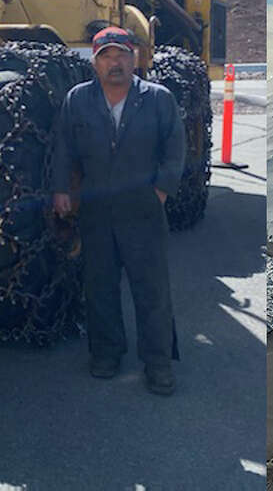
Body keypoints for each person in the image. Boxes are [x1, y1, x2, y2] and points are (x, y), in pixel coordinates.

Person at [51, 26, 186, 395]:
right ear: (94, 62)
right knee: (100, 287)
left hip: (143, 209)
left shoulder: (158, 99)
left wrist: (160, 191)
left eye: (122, 55)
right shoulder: (77, 100)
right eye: (107, 56)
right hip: (96, 209)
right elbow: (63, 147)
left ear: (135, 59)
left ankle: (157, 363)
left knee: (152, 290)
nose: (115, 63)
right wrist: (61, 189)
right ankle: (107, 353)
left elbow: (175, 150)